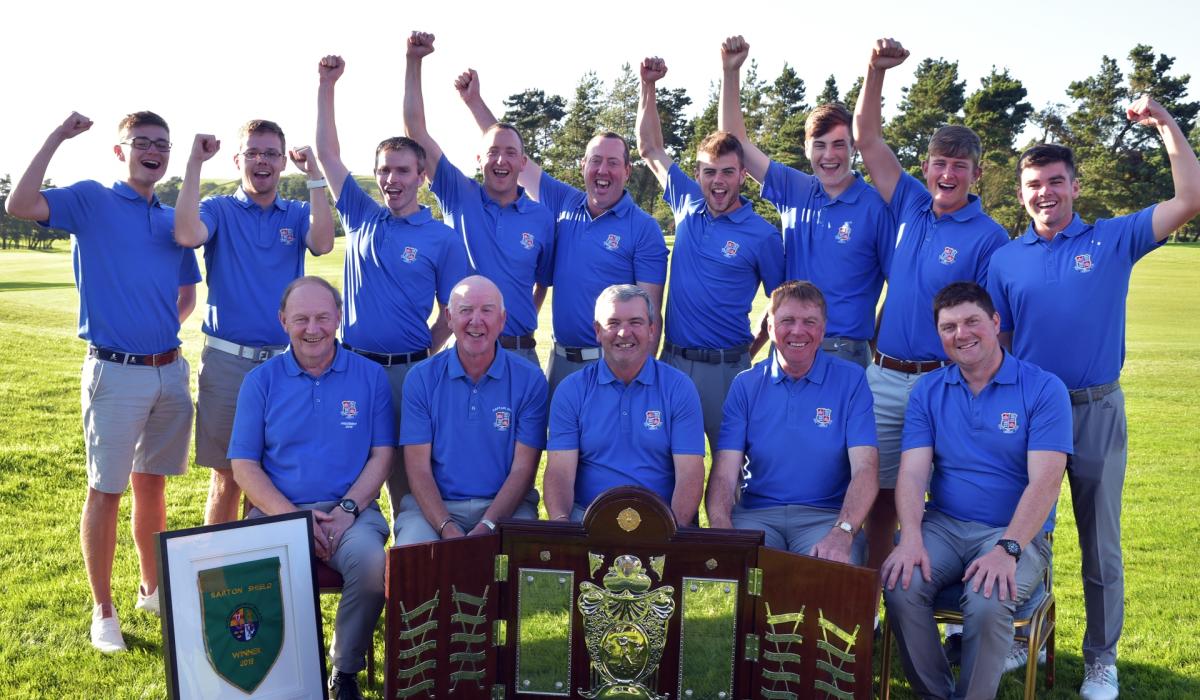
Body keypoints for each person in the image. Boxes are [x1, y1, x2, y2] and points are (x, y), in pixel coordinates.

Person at [986, 98, 1200, 699]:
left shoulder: (1112, 239)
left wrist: (1166, 124)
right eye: (1034, 185)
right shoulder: (1005, 259)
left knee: (1100, 544)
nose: (1045, 193)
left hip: (1097, 410)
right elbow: (1000, 345)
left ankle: (1101, 660)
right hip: (1031, 415)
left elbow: (1189, 198)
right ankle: (1015, 639)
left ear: (1075, 186)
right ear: (1022, 193)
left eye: (1056, 181)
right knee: (1024, 533)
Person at [5, 111, 200, 652]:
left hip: (170, 372)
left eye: (162, 143)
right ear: (121, 151)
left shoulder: (172, 220)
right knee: (106, 490)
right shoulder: (92, 199)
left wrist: (157, 335)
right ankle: (103, 611)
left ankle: (151, 589)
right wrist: (55, 137)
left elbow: (187, 295)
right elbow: (19, 205)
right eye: (142, 142)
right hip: (114, 374)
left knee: (153, 488)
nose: (153, 150)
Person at [853, 37, 1010, 576]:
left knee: (949, 497)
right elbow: (867, 138)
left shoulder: (990, 236)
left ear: (976, 174)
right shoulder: (912, 204)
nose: (948, 174)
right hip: (886, 377)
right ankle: (876, 597)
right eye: (940, 163)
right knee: (877, 491)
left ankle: (953, 607)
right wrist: (876, 71)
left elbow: (992, 326)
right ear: (926, 166)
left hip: (947, 381)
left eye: (959, 167)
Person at [881, 282, 1072, 700]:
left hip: (1016, 532)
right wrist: (910, 536)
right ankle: (937, 693)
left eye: (972, 321)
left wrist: (1008, 549)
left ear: (996, 322)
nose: (961, 334)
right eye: (948, 327)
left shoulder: (1042, 389)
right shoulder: (929, 390)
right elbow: (912, 475)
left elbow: (1046, 481)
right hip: (944, 525)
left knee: (987, 599)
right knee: (900, 583)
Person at [313, 54, 473, 523]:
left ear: (422, 178)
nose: (391, 180)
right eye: (384, 170)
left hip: (408, 375)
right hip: (351, 368)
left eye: (403, 171)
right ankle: (342, 553)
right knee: (346, 470)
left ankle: (409, 573)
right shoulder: (361, 214)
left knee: (407, 479)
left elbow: (452, 311)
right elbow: (326, 153)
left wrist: (425, 346)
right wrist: (326, 85)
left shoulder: (441, 238)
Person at [229, 276, 394, 700]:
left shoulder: (370, 377)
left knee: (372, 565)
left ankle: (345, 672)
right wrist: (292, 517)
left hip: (350, 514)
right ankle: (280, 674)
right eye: (301, 318)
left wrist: (346, 510)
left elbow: (381, 455)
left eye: (323, 316)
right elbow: (243, 465)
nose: (312, 328)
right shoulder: (260, 382)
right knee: (259, 572)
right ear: (283, 321)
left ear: (339, 317)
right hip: (277, 512)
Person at [455, 70, 668, 397]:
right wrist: (473, 102)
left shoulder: (643, 229)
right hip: (561, 363)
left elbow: (651, 317)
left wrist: (639, 383)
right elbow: (507, 154)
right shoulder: (565, 202)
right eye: (595, 161)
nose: (603, 170)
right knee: (558, 448)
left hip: (613, 365)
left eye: (613, 163)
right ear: (583, 165)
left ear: (627, 170)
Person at [174, 119, 335, 525]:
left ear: (283, 163)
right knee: (228, 475)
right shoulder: (219, 208)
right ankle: (220, 577)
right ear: (238, 159)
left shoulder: (297, 212)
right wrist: (194, 163)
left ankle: (267, 576)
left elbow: (323, 242)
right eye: (253, 152)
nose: (261, 160)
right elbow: (189, 233)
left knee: (274, 474)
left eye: (270, 154)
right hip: (228, 362)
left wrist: (315, 174)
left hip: (286, 363)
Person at [636, 55, 785, 452]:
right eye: (708, 171)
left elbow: (782, 303)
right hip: (672, 363)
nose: (717, 181)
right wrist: (648, 87)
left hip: (728, 370)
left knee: (730, 473)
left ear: (741, 174)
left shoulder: (762, 235)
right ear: (698, 174)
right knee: (663, 468)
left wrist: (748, 354)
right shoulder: (686, 202)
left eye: (726, 172)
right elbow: (650, 147)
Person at [718, 35, 894, 368]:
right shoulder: (793, 188)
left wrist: (873, 348)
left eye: (840, 145)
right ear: (806, 149)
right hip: (787, 349)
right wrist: (730, 72)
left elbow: (897, 288)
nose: (830, 156)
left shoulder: (875, 207)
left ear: (854, 149)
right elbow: (735, 142)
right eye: (820, 145)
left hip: (845, 354)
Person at [403, 31, 555, 366]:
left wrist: (517, 320)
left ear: (522, 163)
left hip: (520, 353)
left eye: (510, 153)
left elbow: (542, 283)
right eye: (493, 152)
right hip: (464, 353)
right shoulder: (459, 194)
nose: (501, 161)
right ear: (479, 159)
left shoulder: (541, 217)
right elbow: (416, 132)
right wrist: (414, 62)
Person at [706, 281, 878, 565]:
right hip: (756, 515)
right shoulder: (746, 385)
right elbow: (725, 472)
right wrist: (722, 528)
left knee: (834, 571)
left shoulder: (852, 380)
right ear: (770, 328)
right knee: (737, 573)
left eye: (809, 322)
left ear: (822, 330)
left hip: (825, 517)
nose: (798, 331)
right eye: (787, 321)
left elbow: (866, 467)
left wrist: (843, 531)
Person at [395, 275, 547, 543]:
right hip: (435, 508)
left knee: (522, 563)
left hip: (505, 508)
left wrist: (488, 525)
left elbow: (524, 469)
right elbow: (418, 468)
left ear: (502, 320)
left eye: (487, 311)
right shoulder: (421, 378)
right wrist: (446, 526)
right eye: (465, 310)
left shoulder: (530, 379)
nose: (476, 321)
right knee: (413, 557)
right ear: (449, 317)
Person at [544, 285, 705, 524]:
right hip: (587, 519)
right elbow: (559, 472)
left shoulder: (679, 388)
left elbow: (690, 475)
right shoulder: (572, 390)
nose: (624, 333)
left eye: (635, 322)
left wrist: (673, 534)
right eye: (613, 323)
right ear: (597, 331)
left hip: (661, 521)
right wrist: (561, 523)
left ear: (652, 330)